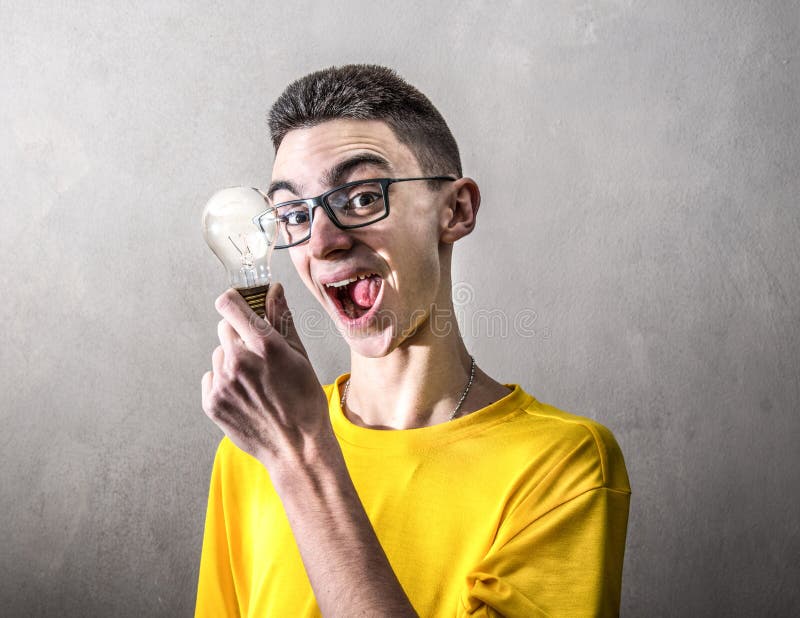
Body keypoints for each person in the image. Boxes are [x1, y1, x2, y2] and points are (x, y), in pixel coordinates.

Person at [195, 64, 630, 617]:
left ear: (456, 209)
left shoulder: (562, 467)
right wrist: (286, 444)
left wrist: (301, 451)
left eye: (359, 198)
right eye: (295, 212)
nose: (323, 242)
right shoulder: (251, 454)